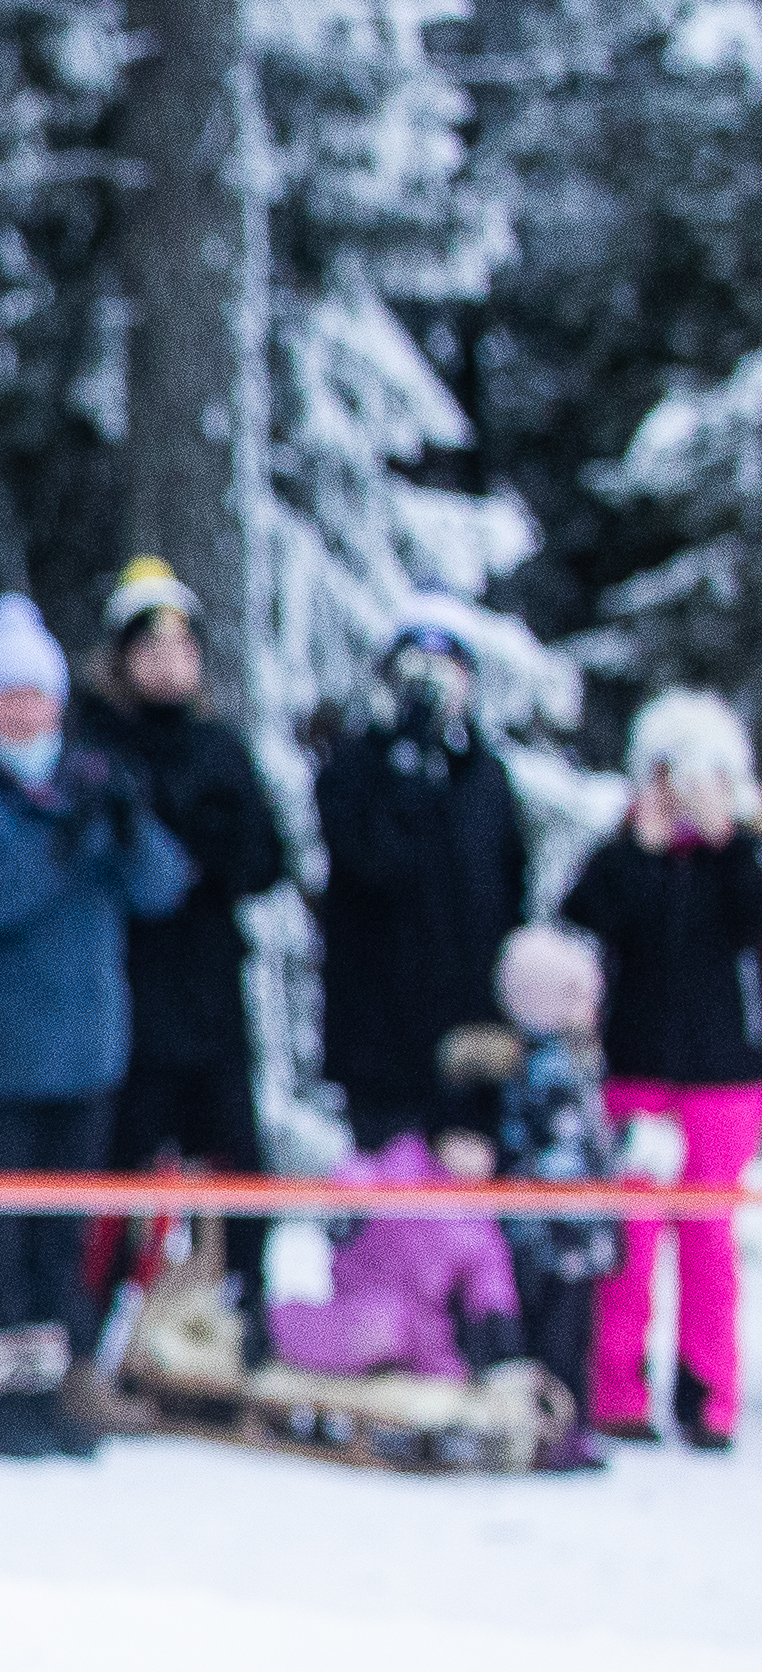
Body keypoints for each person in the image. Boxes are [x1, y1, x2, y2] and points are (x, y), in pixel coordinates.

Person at [0, 606, 193, 1459]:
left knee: (62, 1237)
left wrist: (129, 829)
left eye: (39, 701)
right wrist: (60, 848)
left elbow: (164, 890)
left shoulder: (88, 790)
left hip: (81, 1058)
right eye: (8, 700)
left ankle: (52, 1383)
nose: (24, 717)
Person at [78, 558, 297, 1333]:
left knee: (235, 1155)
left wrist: (216, 845)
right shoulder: (96, 743)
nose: (168, 664)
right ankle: (98, 1322)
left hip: (210, 992)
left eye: (181, 649)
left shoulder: (219, 747)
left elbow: (270, 860)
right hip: (129, 988)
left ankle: (245, 1309)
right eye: (150, 649)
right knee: (124, 1160)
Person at [557, 690, 760, 1447]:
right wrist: (635, 850)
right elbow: (582, 919)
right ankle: (620, 1392)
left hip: (725, 1079)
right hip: (637, 1074)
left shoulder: (742, 854)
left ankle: (709, 1399)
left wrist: (729, 840)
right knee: (630, 1243)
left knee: (709, 1243)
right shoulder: (623, 854)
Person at [311, 605, 527, 1144]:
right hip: (379, 1037)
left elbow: (510, 890)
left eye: (446, 676)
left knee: (469, 1198)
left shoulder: (485, 776)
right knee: (391, 1195)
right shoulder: (354, 768)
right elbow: (370, 862)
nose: (431, 693)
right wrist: (404, 760)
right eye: (416, 675)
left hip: (469, 1032)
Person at [437, 929, 619, 1464]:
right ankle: (551, 1434)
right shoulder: (551, 1067)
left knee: (553, 1341)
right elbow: (568, 1151)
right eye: (578, 995)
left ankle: (550, 1431)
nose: (593, 1006)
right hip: (557, 1238)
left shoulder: (555, 1061)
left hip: (556, 1233)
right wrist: (627, 1146)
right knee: (557, 1346)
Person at [261, 1127, 521, 1386]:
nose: (477, 1157)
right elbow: (345, 1181)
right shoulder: (401, 1167)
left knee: (439, 1366)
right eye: (465, 1143)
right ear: (443, 1141)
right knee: (364, 1327)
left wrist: (500, 1337)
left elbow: (493, 1291)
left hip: (419, 1331)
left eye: (485, 1147)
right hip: (358, 1306)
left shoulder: (481, 1223)